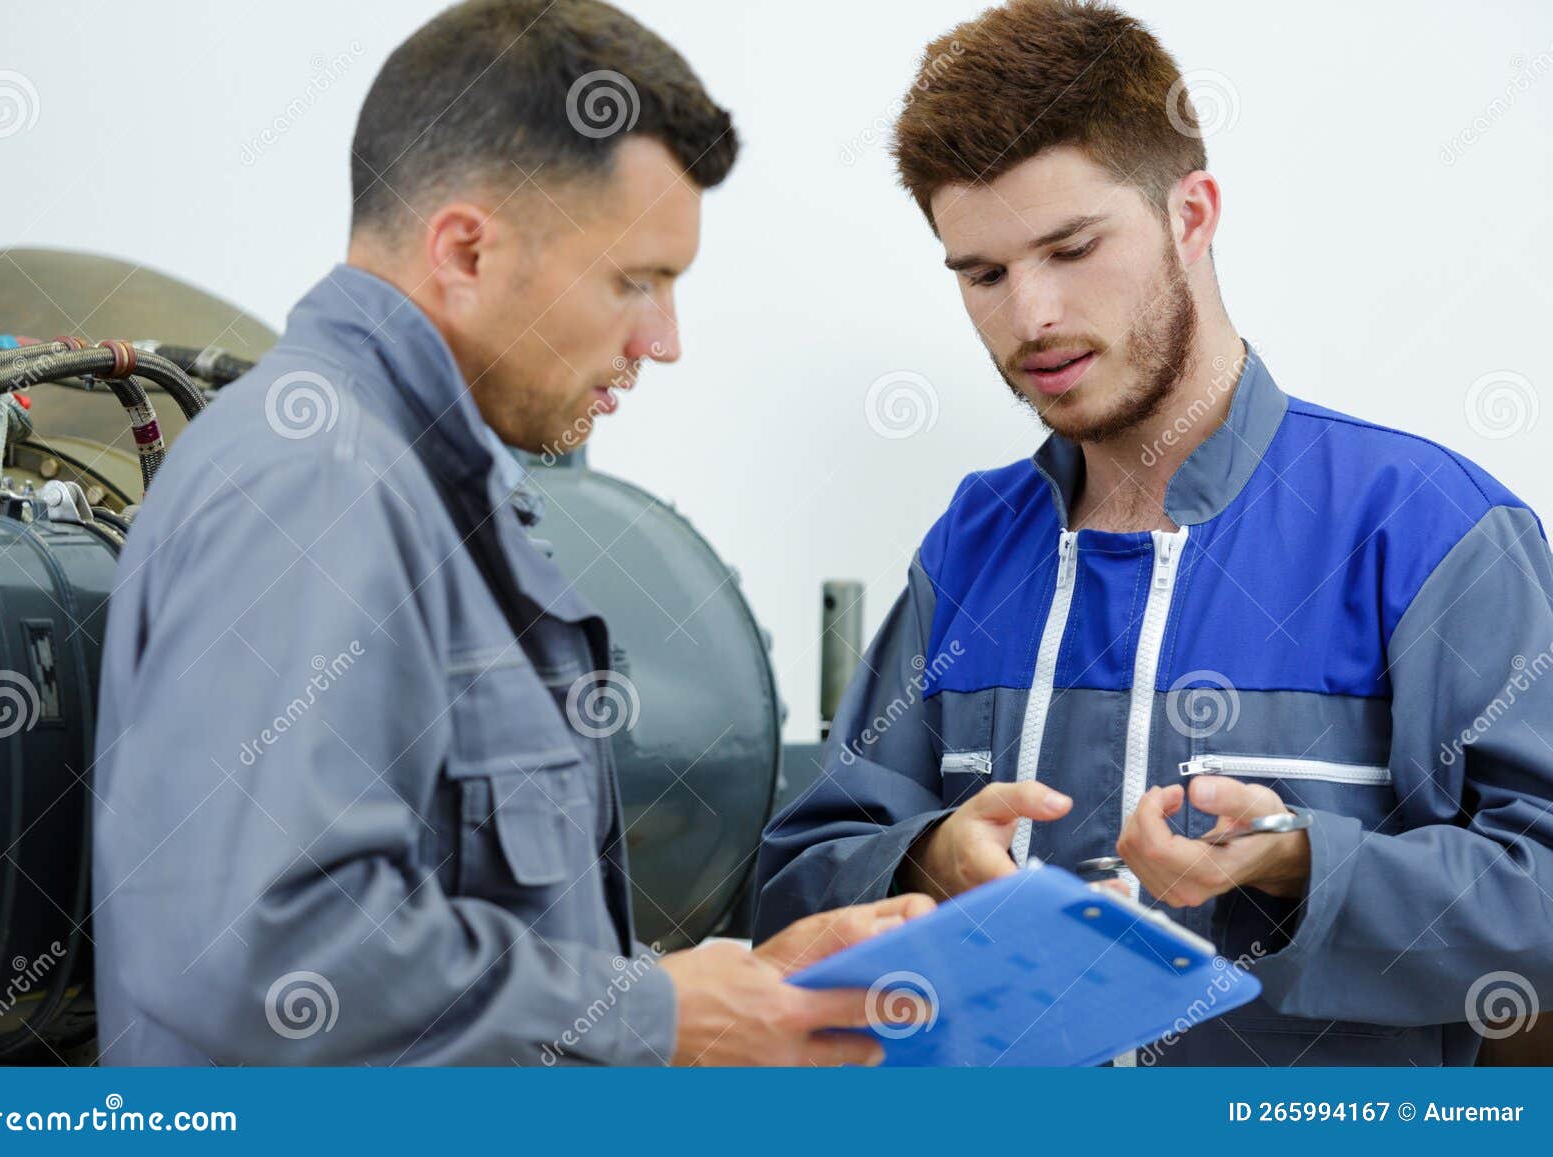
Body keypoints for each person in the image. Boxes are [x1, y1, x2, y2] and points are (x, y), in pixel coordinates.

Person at [91, 0, 931, 1066]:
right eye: (637, 281)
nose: (661, 340)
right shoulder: (315, 485)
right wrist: (662, 1014)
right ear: (465, 251)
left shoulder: (421, 488)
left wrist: (746, 991)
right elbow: (263, 964)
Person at [755, 0, 1553, 1066]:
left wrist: (1298, 860)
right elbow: (797, 878)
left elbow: (1537, 895)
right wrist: (923, 858)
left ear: (1191, 213)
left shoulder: (1428, 528)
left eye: (1071, 248)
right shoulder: (970, 545)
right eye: (981, 274)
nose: (1029, 315)